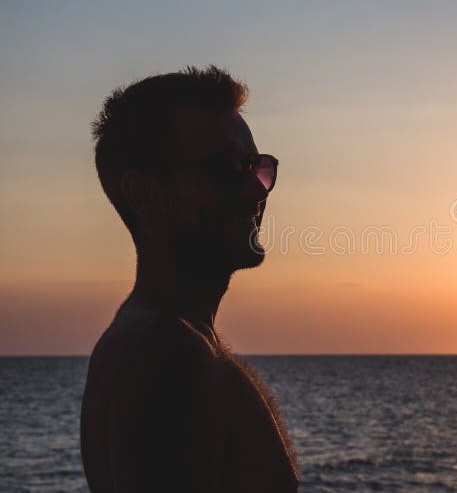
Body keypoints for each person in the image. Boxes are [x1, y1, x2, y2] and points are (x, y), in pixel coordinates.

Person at [80, 66, 299, 492]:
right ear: (143, 193)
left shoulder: (166, 340)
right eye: (224, 168)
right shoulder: (165, 353)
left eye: (256, 167)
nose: (256, 192)